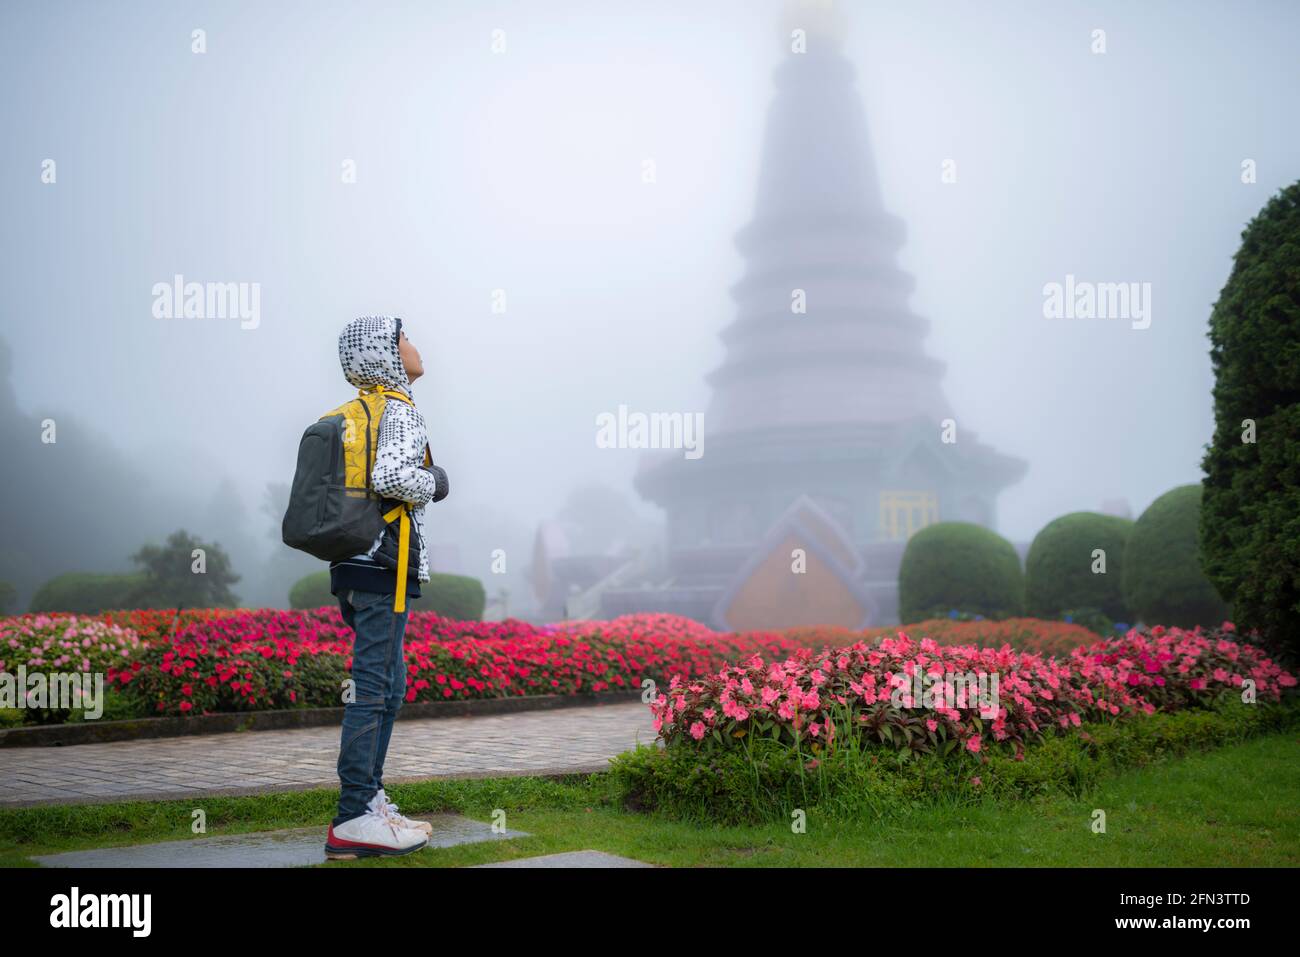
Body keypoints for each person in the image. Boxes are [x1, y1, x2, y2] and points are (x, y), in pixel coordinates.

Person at [323, 314, 449, 860]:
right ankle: (354, 814)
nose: (416, 346)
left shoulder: (365, 411)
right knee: (375, 686)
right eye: (404, 338)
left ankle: (369, 802)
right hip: (384, 568)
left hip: (358, 566)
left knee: (384, 684)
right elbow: (394, 479)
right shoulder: (397, 409)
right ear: (385, 353)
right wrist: (438, 482)